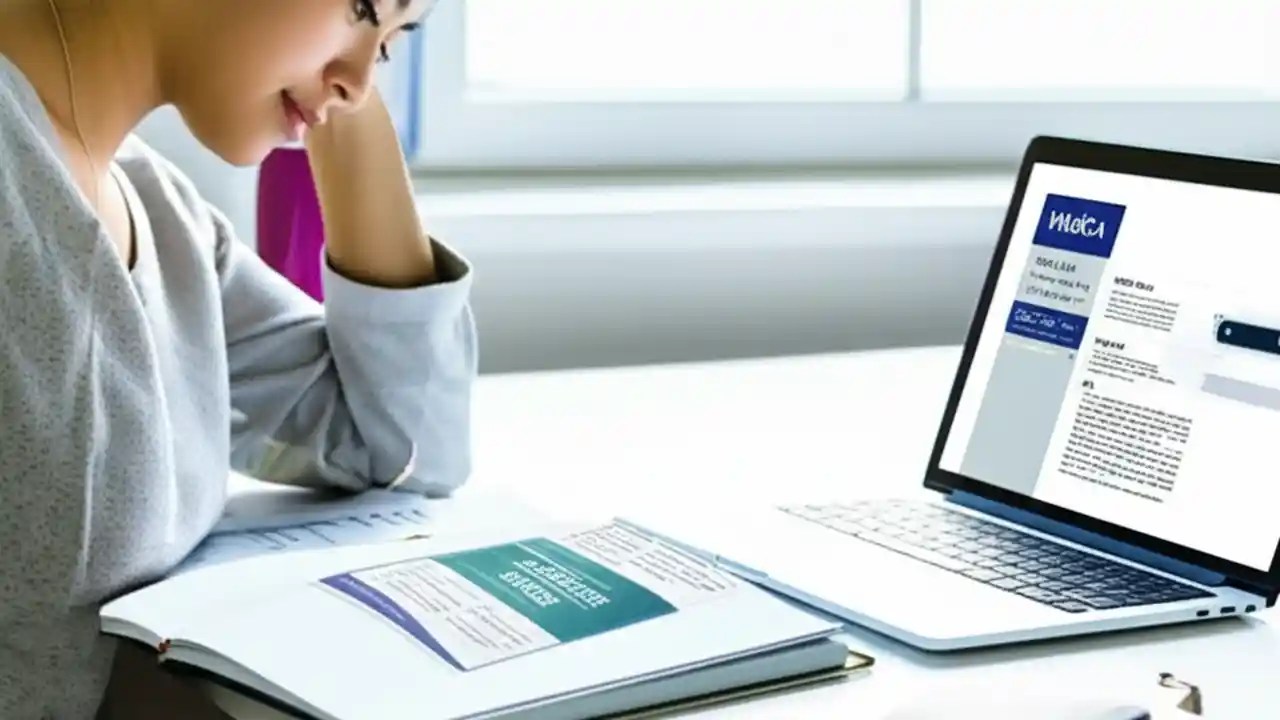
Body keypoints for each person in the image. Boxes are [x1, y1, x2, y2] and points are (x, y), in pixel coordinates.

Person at [0, 0, 476, 717]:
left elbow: (403, 446)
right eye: (361, 8)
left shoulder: (161, 217)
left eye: (390, 43)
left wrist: (332, 87)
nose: (359, 80)